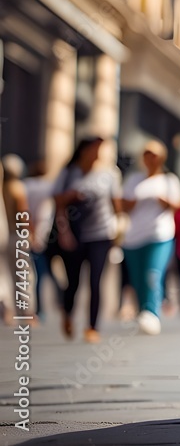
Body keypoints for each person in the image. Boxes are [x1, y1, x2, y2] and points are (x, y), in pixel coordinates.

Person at [53, 136, 122, 343]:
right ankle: (67, 313)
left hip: (101, 235)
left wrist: (118, 229)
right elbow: (58, 204)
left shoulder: (109, 174)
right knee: (72, 282)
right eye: (95, 148)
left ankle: (93, 327)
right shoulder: (68, 173)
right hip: (74, 235)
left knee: (95, 281)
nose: (98, 153)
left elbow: (116, 206)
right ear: (83, 150)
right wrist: (64, 232)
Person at [120, 140, 180, 335]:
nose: (150, 158)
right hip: (133, 237)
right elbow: (123, 206)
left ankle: (152, 313)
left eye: (154, 154)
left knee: (152, 274)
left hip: (159, 235)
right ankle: (143, 312)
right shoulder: (134, 180)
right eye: (147, 153)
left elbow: (177, 205)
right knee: (138, 278)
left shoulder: (169, 180)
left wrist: (161, 199)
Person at [23, 161, 57, 322]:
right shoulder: (49, 186)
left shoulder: (26, 186)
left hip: (30, 234)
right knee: (45, 272)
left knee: (38, 273)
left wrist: (31, 231)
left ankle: (41, 308)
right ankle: (58, 302)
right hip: (46, 233)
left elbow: (25, 211)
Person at [2, 155, 32, 325]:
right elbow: (23, 214)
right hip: (17, 235)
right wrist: (30, 232)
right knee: (23, 276)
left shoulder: (3, 188)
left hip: (5, 235)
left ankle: (9, 310)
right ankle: (24, 312)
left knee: (7, 275)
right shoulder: (17, 188)